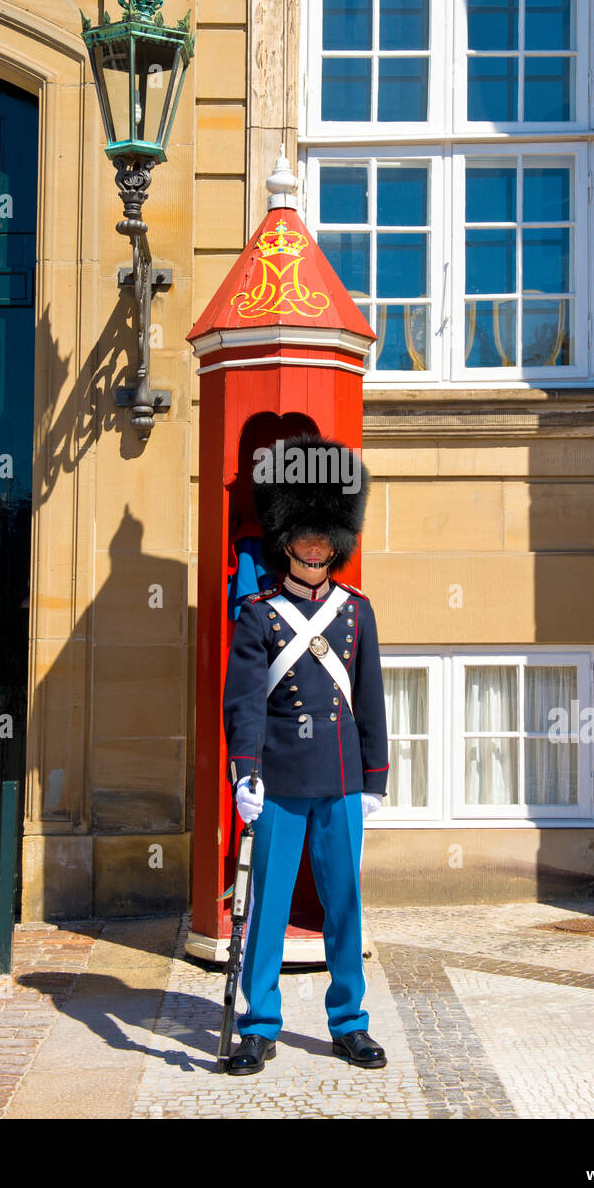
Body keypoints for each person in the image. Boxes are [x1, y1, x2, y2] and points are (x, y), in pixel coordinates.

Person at [222, 433, 390, 1075]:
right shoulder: (260, 616)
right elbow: (244, 705)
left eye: (325, 536)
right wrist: (246, 774)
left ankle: (349, 1020)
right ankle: (260, 1023)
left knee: (344, 901)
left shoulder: (356, 613)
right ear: (287, 539)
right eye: (306, 535)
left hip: (344, 778)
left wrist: (376, 776)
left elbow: (370, 698)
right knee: (266, 907)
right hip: (284, 780)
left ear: (336, 540)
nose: (316, 546)